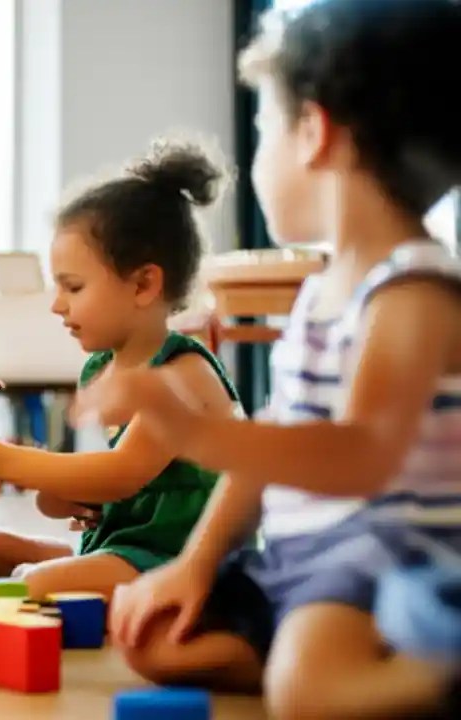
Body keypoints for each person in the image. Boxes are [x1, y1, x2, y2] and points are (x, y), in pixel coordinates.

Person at [76, 1, 461, 717]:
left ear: (313, 134)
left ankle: (432, 670)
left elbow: (363, 455)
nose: (258, 156)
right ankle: (324, 651)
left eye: (263, 130)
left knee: (303, 692)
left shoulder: (413, 294)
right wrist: (193, 565)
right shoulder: (322, 290)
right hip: (297, 554)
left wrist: (194, 432)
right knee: (149, 634)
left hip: (388, 558)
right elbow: (270, 449)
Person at [0, 140, 239, 601]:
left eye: (73, 287)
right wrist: (59, 492)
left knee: (35, 584)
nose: (57, 305)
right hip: (123, 548)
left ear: (143, 284)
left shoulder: (183, 374)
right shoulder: (102, 370)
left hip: (185, 561)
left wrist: (3, 460)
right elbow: (90, 495)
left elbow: (121, 474)